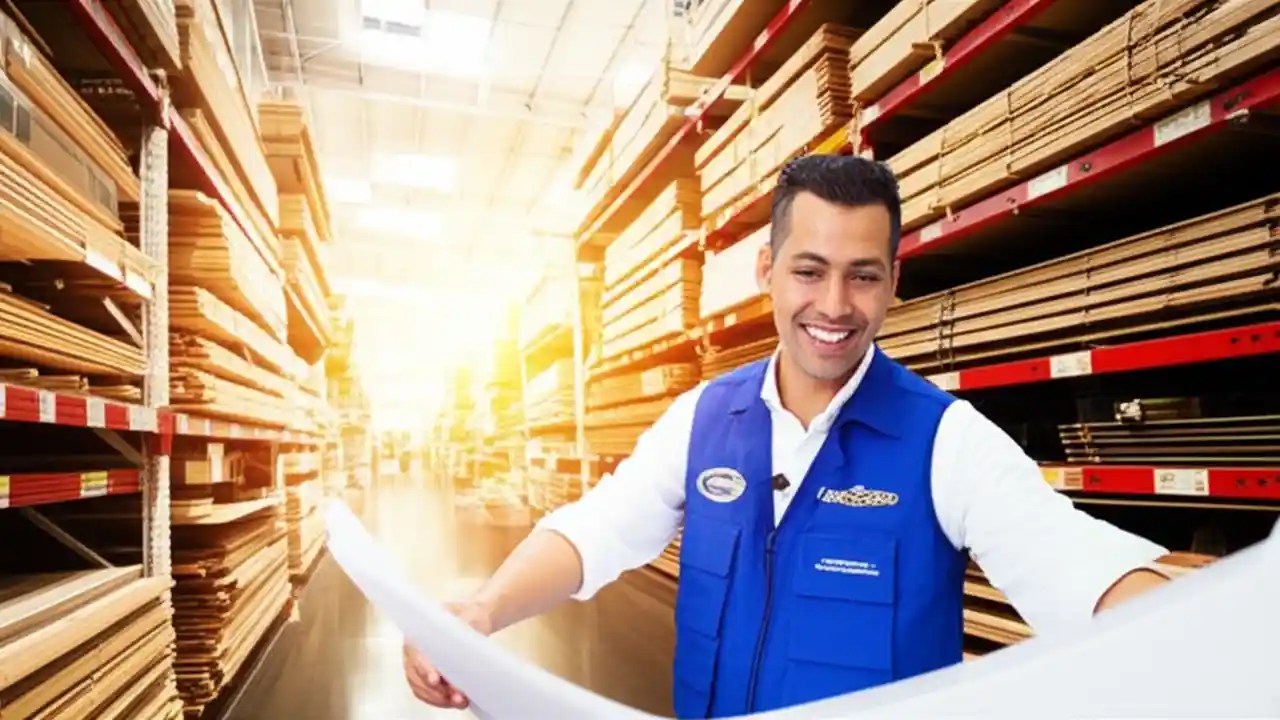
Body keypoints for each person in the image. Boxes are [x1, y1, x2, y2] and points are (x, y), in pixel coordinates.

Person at [402, 156, 1171, 716]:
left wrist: (1204, 637)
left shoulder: (945, 441)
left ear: (894, 282)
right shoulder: (703, 420)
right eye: (809, 270)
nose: (834, 306)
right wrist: (483, 609)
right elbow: (596, 532)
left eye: (863, 275)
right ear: (767, 269)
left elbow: (1076, 567)